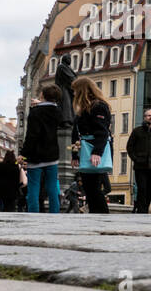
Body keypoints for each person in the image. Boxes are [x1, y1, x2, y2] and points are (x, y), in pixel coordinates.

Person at [70, 77, 112, 214]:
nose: (74, 94)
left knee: (93, 188)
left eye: (76, 91)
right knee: (89, 188)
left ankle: (103, 216)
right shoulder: (85, 109)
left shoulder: (98, 107)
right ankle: (96, 215)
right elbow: (76, 133)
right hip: (86, 150)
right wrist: (74, 155)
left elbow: (102, 132)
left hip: (92, 151)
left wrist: (97, 152)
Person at [20, 83, 63, 214]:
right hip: (52, 154)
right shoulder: (58, 112)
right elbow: (51, 109)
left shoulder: (35, 112)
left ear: (42, 95)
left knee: (34, 187)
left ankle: (33, 214)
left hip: (35, 155)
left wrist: (24, 154)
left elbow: (31, 135)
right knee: (52, 187)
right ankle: (54, 213)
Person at [126, 108, 151, 215]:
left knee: (149, 189)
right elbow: (130, 147)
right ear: (145, 117)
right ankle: (141, 210)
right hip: (140, 165)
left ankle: (146, 209)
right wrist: (136, 158)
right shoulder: (137, 131)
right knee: (142, 188)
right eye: (149, 115)